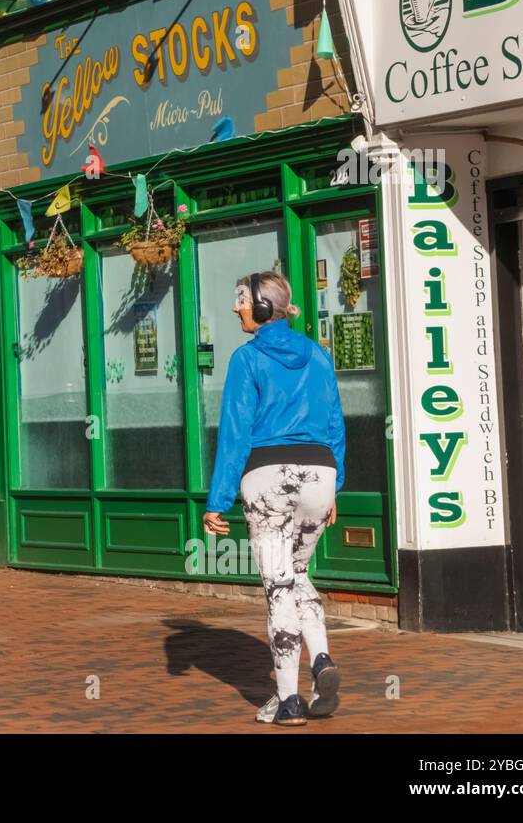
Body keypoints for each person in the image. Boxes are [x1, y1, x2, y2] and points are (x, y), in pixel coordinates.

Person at [201, 271, 346, 727]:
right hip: (319, 472)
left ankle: (288, 702)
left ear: (264, 309)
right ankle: (321, 658)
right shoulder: (319, 356)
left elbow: (235, 435)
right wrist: (333, 485)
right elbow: (337, 424)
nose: (235, 308)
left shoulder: (246, 359)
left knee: (278, 587)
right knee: (299, 574)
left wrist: (217, 500)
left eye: (241, 300)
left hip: (268, 476)